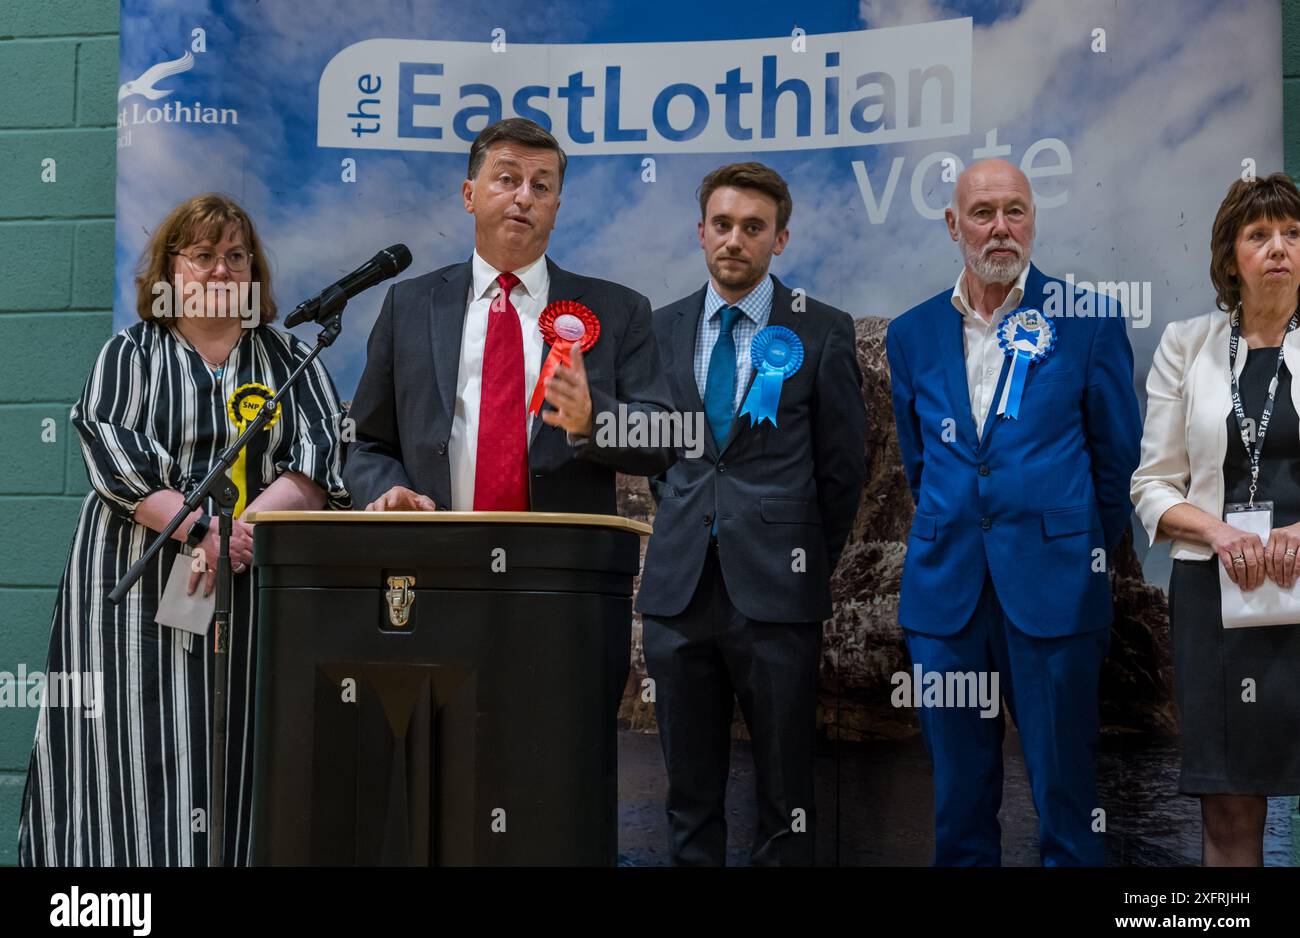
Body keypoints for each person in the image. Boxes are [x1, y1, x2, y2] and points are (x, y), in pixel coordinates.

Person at [17, 193, 351, 866]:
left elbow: (315, 462)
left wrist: (241, 530)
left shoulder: (288, 358)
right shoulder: (130, 354)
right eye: (202, 256)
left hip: (252, 575)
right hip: (135, 574)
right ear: (170, 270)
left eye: (236, 257)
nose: (221, 271)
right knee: (134, 745)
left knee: (237, 740)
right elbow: (112, 456)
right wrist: (199, 529)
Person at [885, 158, 1142, 866]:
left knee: (1068, 807)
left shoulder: (1089, 322)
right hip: (946, 602)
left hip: (1057, 596)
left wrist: (1073, 550)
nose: (1001, 227)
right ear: (952, 224)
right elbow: (919, 464)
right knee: (958, 814)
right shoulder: (909, 336)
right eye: (983, 212)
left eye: (1016, 210)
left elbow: (1116, 465)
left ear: (1033, 218)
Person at [635, 162, 867, 866]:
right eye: (723, 224)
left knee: (785, 798)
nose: (736, 239)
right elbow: (659, 458)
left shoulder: (821, 331)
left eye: (754, 228)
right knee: (689, 796)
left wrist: (795, 556)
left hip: (778, 594)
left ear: (781, 239)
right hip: (678, 593)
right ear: (701, 232)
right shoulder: (659, 328)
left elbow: (841, 472)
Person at [343, 117, 674, 516]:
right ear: (469, 195)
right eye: (506, 179)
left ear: (555, 208)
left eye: (541, 186)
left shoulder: (620, 310)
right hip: (434, 555)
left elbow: (662, 437)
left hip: (565, 567)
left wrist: (594, 417)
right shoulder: (408, 305)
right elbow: (365, 442)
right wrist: (389, 488)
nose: (524, 197)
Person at [1131, 172, 1300, 867]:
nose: (1279, 247)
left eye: (1292, 234)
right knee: (1230, 811)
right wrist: (1221, 531)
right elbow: (1152, 486)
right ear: (1230, 258)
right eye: (1259, 235)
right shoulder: (1188, 343)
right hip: (1216, 596)